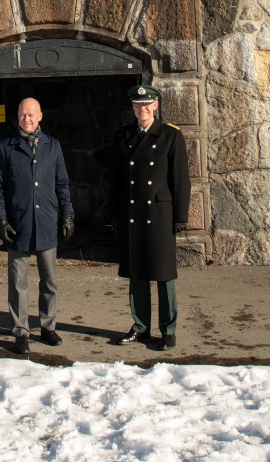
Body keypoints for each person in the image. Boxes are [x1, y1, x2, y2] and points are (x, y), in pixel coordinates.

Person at [109, 83, 190, 351]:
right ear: (132, 108)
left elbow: (180, 180)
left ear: (155, 105)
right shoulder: (122, 136)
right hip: (133, 212)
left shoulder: (170, 136)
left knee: (164, 275)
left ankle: (168, 330)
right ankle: (141, 326)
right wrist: (116, 214)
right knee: (137, 272)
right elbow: (117, 180)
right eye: (137, 105)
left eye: (146, 105)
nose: (141, 110)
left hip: (159, 213)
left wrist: (180, 216)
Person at [0, 97, 75, 354]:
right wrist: (0, 218)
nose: (26, 119)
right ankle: (21, 331)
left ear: (40, 117)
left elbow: (62, 184)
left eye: (31, 115)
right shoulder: (6, 147)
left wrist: (67, 215)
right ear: (18, 117)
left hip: (47, 222)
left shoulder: (52, 146)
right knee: (18, 283)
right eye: (22, 115)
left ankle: (48, 326)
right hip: (19, 224)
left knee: (49, 280)